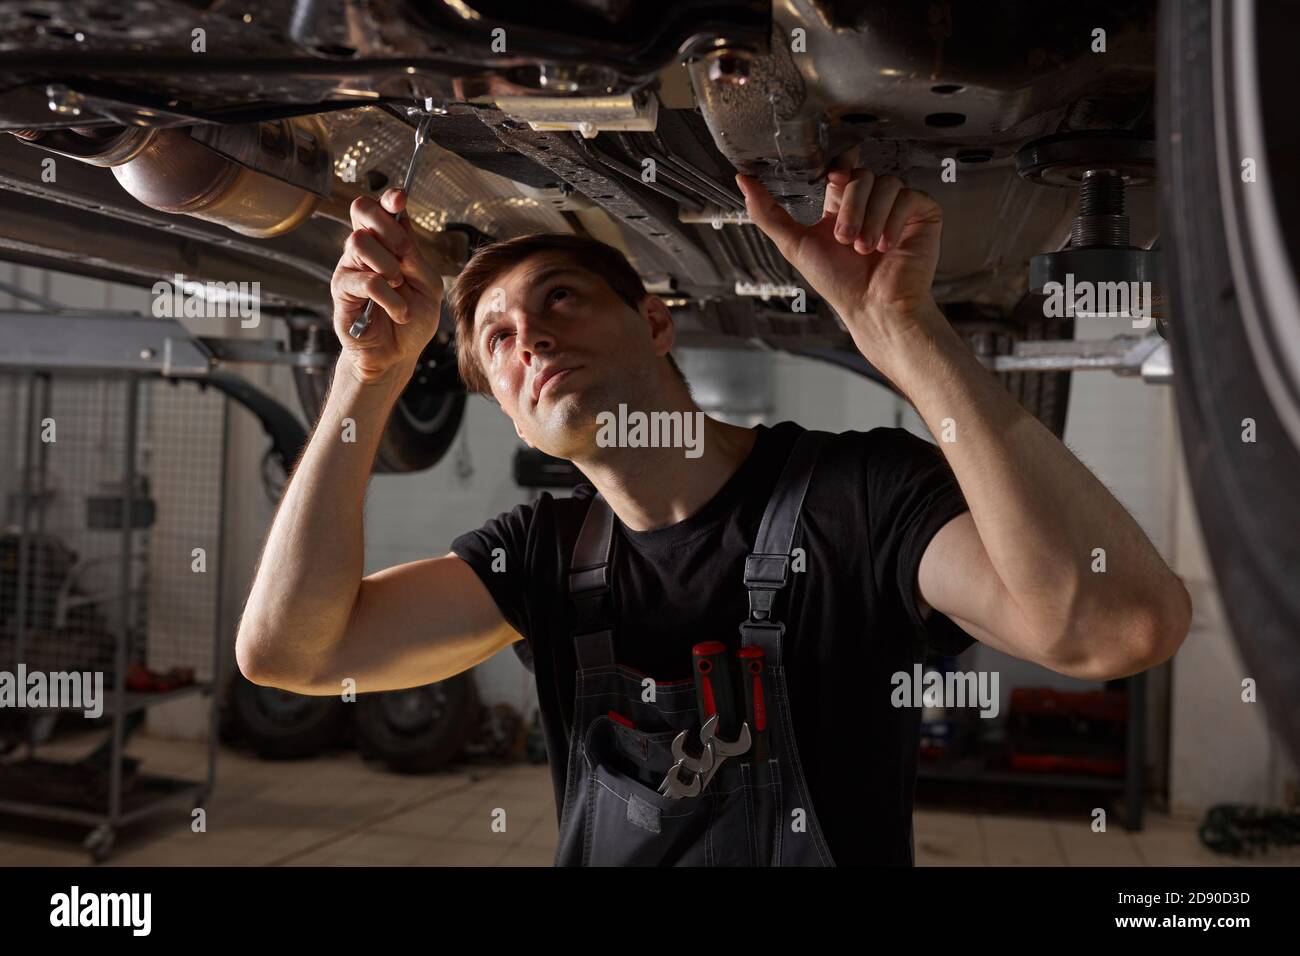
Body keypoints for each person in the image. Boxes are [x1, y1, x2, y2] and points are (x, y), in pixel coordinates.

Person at [235, 150, 1191, 866]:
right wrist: (369, 380)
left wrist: (902, 332)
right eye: (499, 340)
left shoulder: (858, 498)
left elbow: (1116, 626)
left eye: (560, 299)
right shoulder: (541, 557)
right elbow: (290, 653)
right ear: (520, 423)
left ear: (656, 321)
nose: (530, 338)